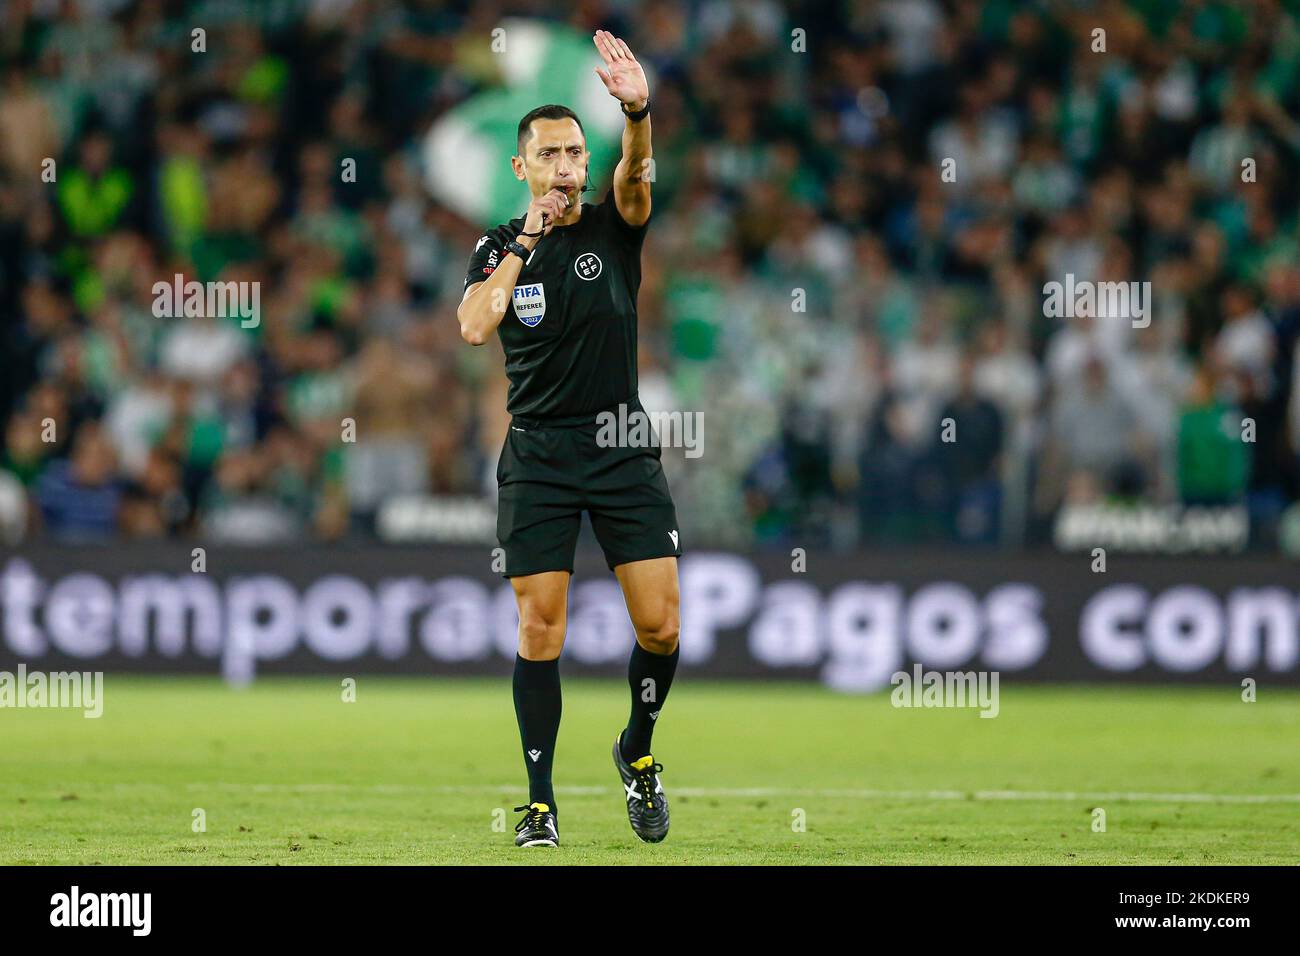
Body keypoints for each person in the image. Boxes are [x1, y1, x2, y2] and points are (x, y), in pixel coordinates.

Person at [457, 31, 679, 848]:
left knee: (661, 627)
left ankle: (637, 751)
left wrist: (638, 113)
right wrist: (524, 240)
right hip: (541, 452)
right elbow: (475, 326)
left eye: (575, 151)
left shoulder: (617, 225)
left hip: (620, 444)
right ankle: (541, 802)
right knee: (540, 628)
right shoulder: (497, 247)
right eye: (549, 153)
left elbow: (638, 173)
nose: (564, 165)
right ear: (522, 167)